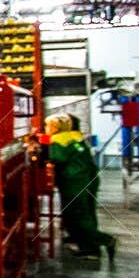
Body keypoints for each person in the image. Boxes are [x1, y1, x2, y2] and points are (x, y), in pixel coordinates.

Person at [43, 113, 116, 264]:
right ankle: (85, 244)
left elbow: (58, 158)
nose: (46, 128)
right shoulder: (75, 136)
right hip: (89, 178)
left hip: (74, 182)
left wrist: (42, 153)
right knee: (88, 214)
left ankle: (103, 242)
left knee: (76, 215)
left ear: (55, 127)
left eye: (47, 125)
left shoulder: (58, 139)